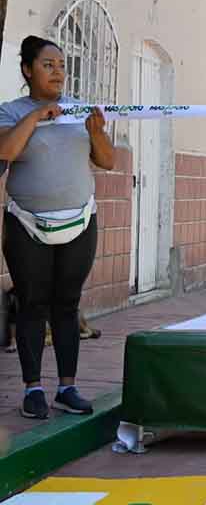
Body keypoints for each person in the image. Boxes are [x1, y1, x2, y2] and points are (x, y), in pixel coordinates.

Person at [0, 36, 115, 419]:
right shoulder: (11, 111)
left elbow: (108, 161)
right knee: (32, 304)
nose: (58, 72)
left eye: (62, 65)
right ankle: (33, 389)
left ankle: (67, 387)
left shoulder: (78, 110)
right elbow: (5, 151)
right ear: (27, 70)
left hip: (80, 221)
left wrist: (96, 131)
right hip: (26, 223)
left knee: (67, 304)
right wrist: (36, 117)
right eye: (48, 65)